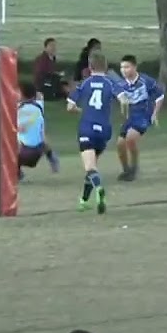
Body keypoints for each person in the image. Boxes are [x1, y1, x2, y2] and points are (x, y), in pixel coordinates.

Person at [66, 51, 118, 214]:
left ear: (90, 67)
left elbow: (70, 107)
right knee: (92, 166)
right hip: (104, 130)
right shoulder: (110, 83)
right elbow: (124, 100)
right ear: (106, 66)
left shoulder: (84, 84)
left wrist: (81, 110)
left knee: (90, 167)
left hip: (87, 128)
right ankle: (83, 201)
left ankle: (99, 189)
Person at [113, 55, 164, 182]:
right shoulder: (120, 84)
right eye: (122, 67)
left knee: (130, 139)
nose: (124, 70)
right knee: (120, 144)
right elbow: (121, 101)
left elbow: (159, 96)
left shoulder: (146, 81)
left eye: (127, 67)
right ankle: (126, 170)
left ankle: (134, 168)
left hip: (142, 115)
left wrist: (155, 114)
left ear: (134, 67)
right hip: (129, 117)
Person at [18, 81, 59, 179]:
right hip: (39, 151)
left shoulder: (18, 109)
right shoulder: (39, 106)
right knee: (41, 135)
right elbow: (40, 95)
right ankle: (51, 156)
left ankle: (17, 172)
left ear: (22, 94)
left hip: (24, 153)